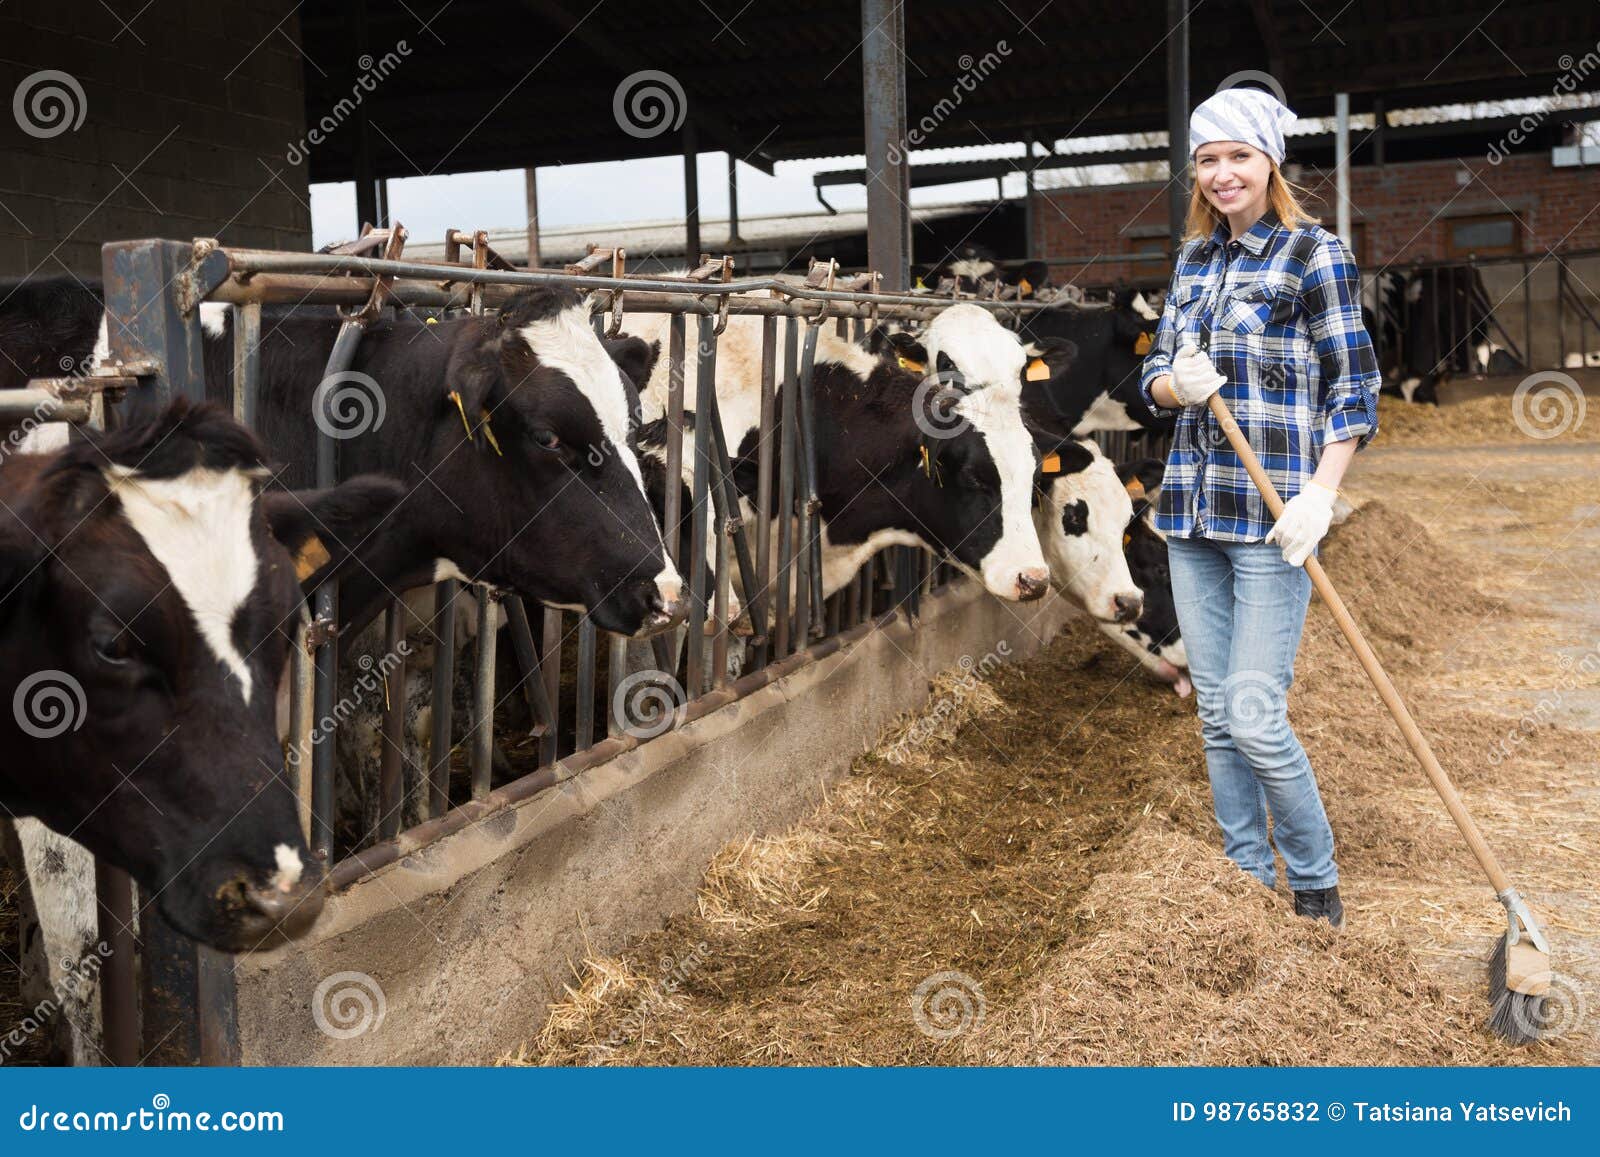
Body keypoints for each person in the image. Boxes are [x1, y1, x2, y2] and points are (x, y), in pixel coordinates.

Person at [1139, 87, 1381, 928]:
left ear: (1269, 163)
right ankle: (1248, 878)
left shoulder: (1315, 255)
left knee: (1252, 707)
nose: (1221, 173)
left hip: (1273, 519)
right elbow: (1153, 381)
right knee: (1215, 712)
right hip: (1192, 517)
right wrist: (1179, 382)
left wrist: (1323, 491)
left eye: (1237, 155)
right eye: (1207, 160)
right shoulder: (1193, 264)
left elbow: (1355, 384)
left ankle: (1315, 882)